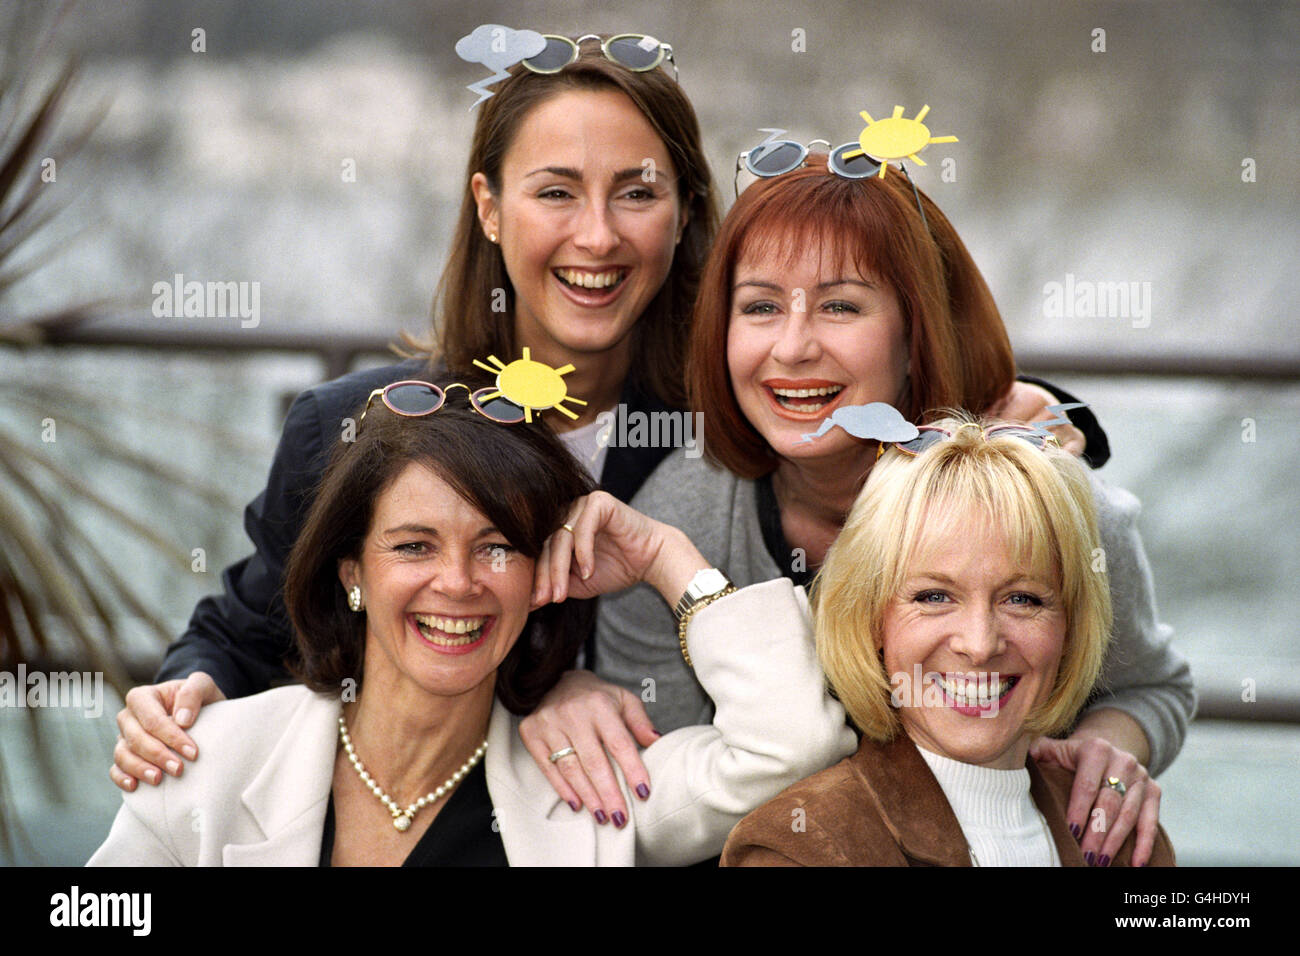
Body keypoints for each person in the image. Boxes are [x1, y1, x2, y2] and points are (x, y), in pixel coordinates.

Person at [110, 40, 1101, 794]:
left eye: (636, 193)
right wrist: (186, 688)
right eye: (556, 192)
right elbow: (250, 633)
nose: (597, 235)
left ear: (685, 211)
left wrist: (1060, 415)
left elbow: (916, 384)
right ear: (488, 206)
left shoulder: (744, 415)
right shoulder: (363, 430)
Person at [521, 152, 1192, 867]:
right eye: (761, 307)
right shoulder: (680, 517)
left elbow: (1153, 686)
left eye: (840, 306)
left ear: (916, 335)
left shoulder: (1039, 505)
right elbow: (661, 796)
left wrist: (1107, 750)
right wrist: (566, 687)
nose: (793, 347)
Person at [88, 380, 855, 866]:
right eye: (414, 546)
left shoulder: (593, 794)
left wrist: (665, 557)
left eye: (496, 548)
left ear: (539, 577)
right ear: (352, 573)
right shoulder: (207, 764)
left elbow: (792, 746)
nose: (456, 584)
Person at [721, 416, 1176, 866]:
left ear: (1072, 625)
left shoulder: (1128, 841)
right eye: (934, 596)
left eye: (1022, 599)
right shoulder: (796, 852)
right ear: (872, 618)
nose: (979, 645)